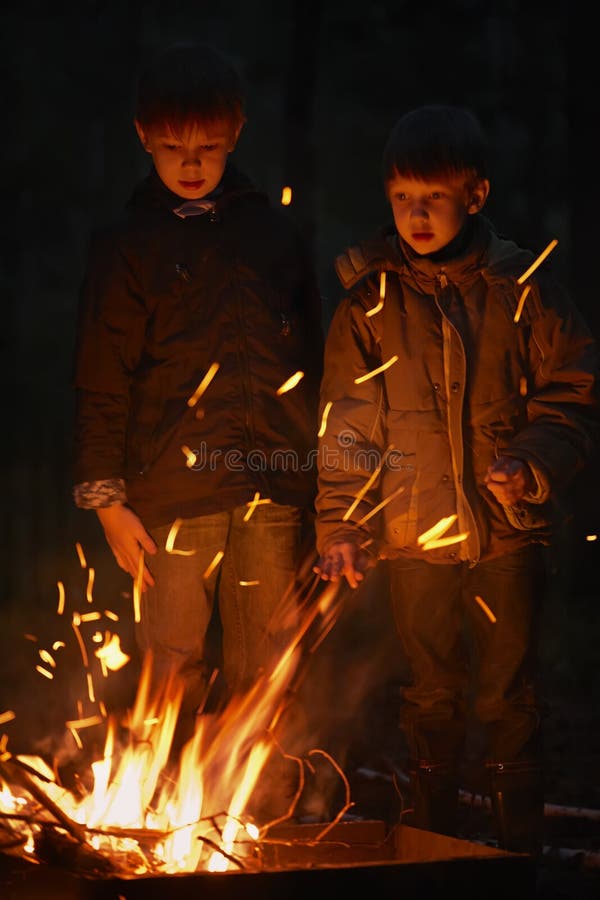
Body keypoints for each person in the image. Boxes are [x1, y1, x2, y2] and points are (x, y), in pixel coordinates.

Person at [313, 105, 600, 854]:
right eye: (403, 197)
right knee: (430, 696)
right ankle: (432, 847)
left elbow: (574, 391)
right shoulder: (369, 302)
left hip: (510, 536)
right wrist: (342, 523)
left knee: (510, 699)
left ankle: (516, 853)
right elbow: (347, 425)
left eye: (433, 197)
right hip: (413, 540)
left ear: (475, 196)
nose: (416, 214)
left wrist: (533, 462)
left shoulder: (524, 289)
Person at [72, 42, 324, 795]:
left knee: (269, 663)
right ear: (144, 135)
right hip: (171, 499)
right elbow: (100, 379)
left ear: (235, 135)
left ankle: (262, 818)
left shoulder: (273, 236)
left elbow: (317, 357)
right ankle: (162, 815)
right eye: (175, 146)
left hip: (272, 487)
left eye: (208, 147)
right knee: (172, 663)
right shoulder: (127, 248)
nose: (192, 162)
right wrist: (106, 500)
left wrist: (325, 481)